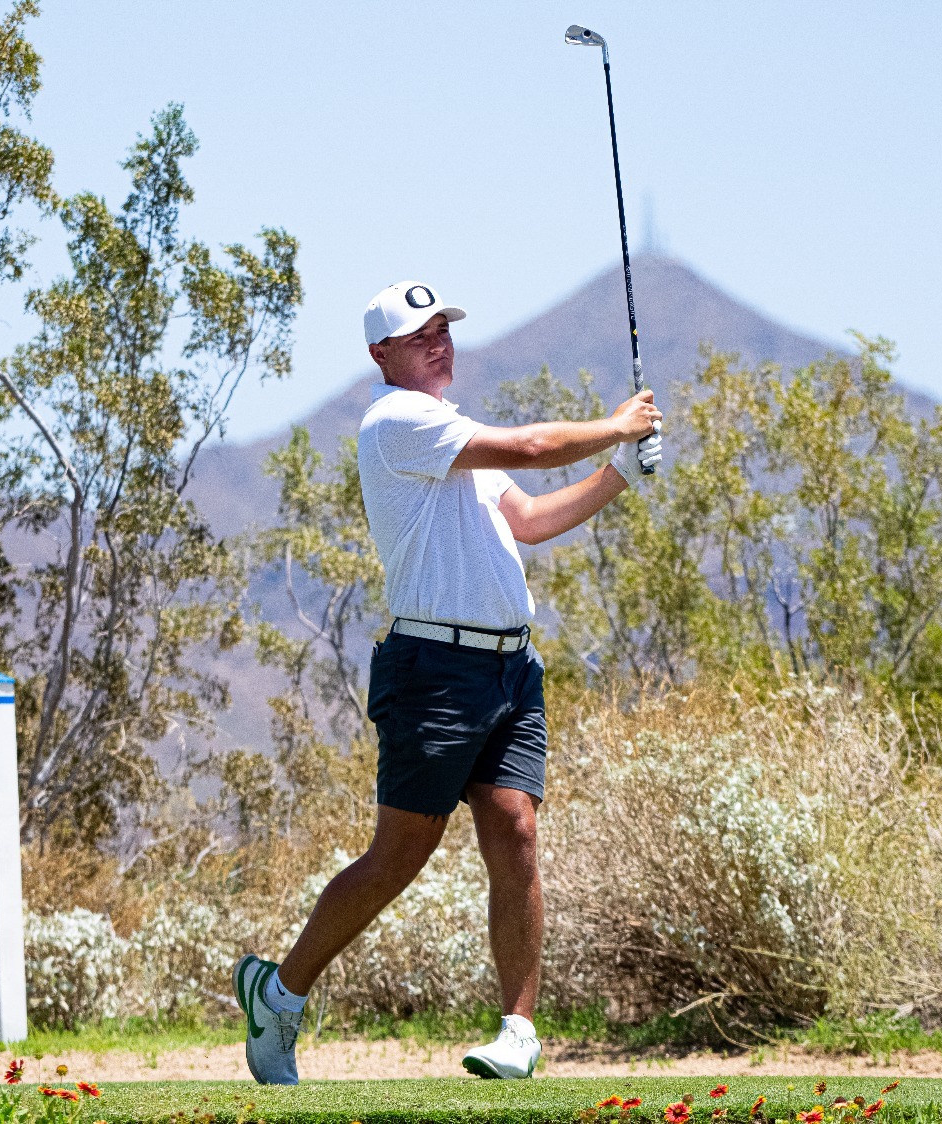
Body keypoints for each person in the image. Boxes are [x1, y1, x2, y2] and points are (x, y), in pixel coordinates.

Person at [233, 280, 662, 1083]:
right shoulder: (396, 421)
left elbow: (529, 520)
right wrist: (617, 425)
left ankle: (518, 1034)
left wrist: (619, 473)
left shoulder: (453, 435)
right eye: (416, 332)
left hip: (508, 668)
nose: (438, 340)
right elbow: (533, 448)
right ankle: (280, 995)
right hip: (432, 669)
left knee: (517, 833)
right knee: (398, 857)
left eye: (442, 328)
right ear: (380, 354)